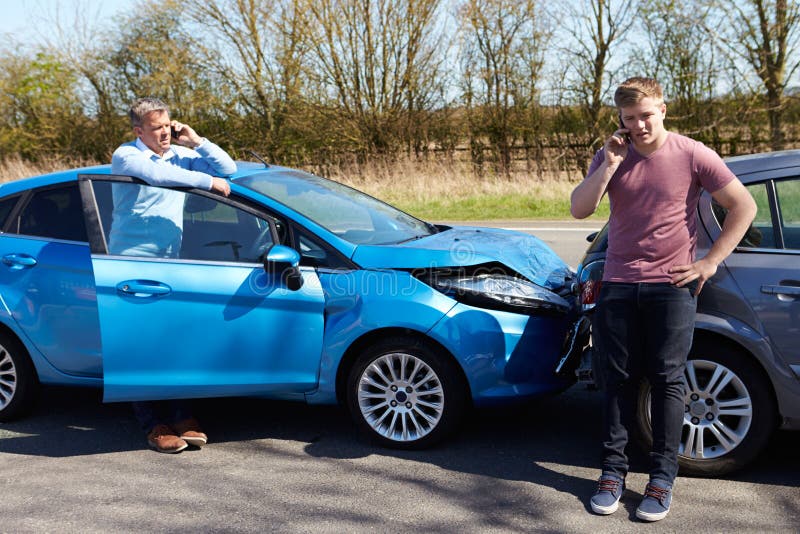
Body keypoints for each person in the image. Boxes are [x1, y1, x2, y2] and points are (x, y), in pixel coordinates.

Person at [570, 77, 756, 522]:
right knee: (615, 380)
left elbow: (742, 206)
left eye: (646, 115)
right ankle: (612, 474)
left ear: (663, 110)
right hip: (617, 283)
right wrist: (609, 165)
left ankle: (661, 479)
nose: (639, 126)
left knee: (667, 380)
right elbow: (579, 209)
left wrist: (709, 262)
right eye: (629, 118)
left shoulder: (692, 154)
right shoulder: (614, 154)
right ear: (620, 118)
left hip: (671, 287)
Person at [111, 97, 237, 453]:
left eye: (167, 126)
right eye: (156, 128)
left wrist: (196, 142)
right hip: (130, 266)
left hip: (170, 264)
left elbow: (229, 170)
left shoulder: (180, 156)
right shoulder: (128, 156)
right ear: (139, 131)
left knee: (174, 340)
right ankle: (153, 425)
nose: (164, 133)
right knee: (141, 346)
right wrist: (207, 182)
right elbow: (157, 175)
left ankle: (182, 416)